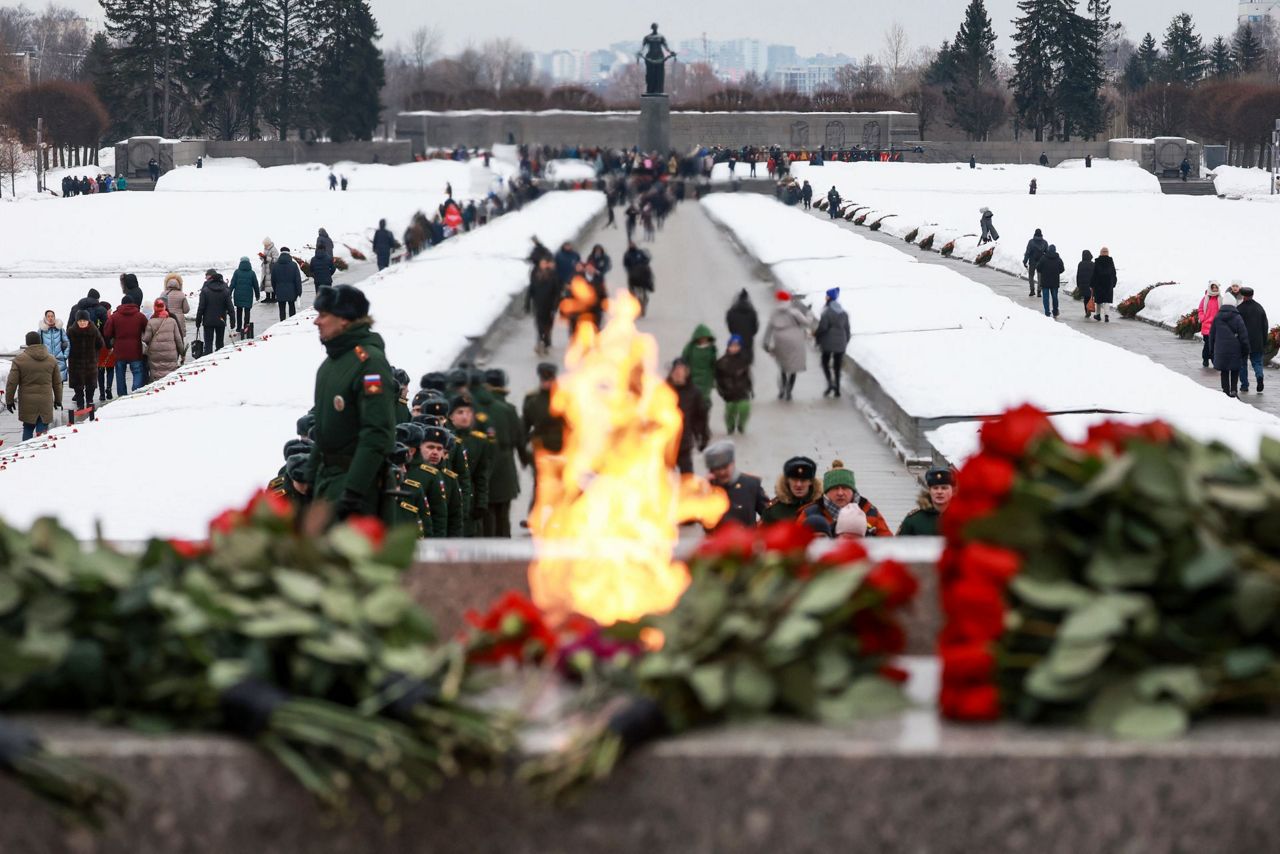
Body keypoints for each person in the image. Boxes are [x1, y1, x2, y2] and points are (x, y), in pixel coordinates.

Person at [306, 284, 395, 520]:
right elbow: (323, 430)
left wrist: (353, 491)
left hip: (352, 483)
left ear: (344, 320)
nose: (317, 321)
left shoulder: (369, 363)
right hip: (327, 481)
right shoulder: (332, 364)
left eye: (324, 315)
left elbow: (377, 432)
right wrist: (309, 476)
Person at [483, 368, 527, 538]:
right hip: (505, 466)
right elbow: (519, 439)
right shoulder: (509, 409)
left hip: (484, 463)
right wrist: (524, 459)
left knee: (486, 513)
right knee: (503, 514)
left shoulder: (477, 408)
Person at [801, 461, 893, 537]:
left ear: (853, 491)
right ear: (826, 492)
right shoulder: (810, 514)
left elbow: (888, 543)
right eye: (835, 488)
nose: (840, 493)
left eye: (845, 488)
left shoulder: (869, 511)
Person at [522, 362, 565, 515]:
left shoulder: (565, 397)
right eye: (544, 379)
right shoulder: (532, 399)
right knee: (540, 483)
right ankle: (535, 515)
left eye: (550, 379)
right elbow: (525, 426)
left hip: (563, 447)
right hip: (541, 449)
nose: (547, 382)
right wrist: (524, 455)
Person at [448, 395, 493, 537]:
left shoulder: (479, 441)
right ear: (451, 416)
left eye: (468, 413)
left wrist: (481, 502)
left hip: (469, 499)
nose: (465, 416)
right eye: (460, 412)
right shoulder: (445, 439)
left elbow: (482, 475)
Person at [6, 331, 62, 440]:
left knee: (27, 428)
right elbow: (57, 383)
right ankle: (41, 453)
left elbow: (12, 383)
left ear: (27, 343)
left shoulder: (19, 360)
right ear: (40, 341)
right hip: (45, 400)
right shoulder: (51, 360)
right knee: (42, 430)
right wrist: (58, 400)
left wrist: (9, 400)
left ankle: (26, 452)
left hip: (27, 401)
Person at [703, 440, 768, 528]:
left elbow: (769, 514)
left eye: (725, 467)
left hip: (747, 540)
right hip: (718, 541)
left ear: (733, 463)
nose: (722, 472)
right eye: (717, 469)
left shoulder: (751, 484)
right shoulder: (706, 488)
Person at [762, 290, 812, 402]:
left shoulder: (774, 312)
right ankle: (789, 391)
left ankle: (782, 390)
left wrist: (765, 343)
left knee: (783, 367)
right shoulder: (794, 312)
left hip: (780, 341)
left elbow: (769, 328)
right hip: (795, 341)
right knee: (793, 367)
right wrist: (809, 313)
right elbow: (807, 322)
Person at [668, 358, 709, 475]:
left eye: (682, 371)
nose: (678, 374)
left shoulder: (694, 393)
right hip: (664, 444)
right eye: (676, 371)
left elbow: (701, 417)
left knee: (687, 477)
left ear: (687, 373)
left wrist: (703, 437)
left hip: (684, 444)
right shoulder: (663, 391)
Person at [104, 295, 148, 395]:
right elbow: (147, 329)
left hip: (119, 351)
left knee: (120, 374)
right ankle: (136, 391)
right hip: (135, 350)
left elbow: (107, 333)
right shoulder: (140, 316)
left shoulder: (114, 317)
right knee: (137, 372)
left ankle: (122, 395)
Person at [761, 456, 821, 524]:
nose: (799, 485)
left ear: (811, 481)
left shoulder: (822, 505)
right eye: (794, 480)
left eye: (803, 480)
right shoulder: (773, 510)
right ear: (787, 481)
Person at [1208, 300, 1250, 398]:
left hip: (1221, 349)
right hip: (1235, 349)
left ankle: (1225, 390)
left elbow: (1212, 335)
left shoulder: (1217, 317)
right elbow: (1243, 335)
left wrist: (1211, 350)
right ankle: (1234, 390)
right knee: (1235, 370)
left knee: (1224, 371)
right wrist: (1245, 349)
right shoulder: (1238, 317)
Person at [898, 467, 955, 536]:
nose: (939, 492)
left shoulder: (963, 518)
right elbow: (899, 545)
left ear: (953, 490)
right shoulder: (914, 520)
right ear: (929, 490)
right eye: (935, 488)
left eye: (944, 488)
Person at [816, 287, 851, 397]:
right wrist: (845, 341)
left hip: (827, 343)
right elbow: (847, 330)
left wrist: (817, 338)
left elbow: (822, 328)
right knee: (837, 367)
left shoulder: (826, 313)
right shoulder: (844, 313)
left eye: (827, 295)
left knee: (825, 363)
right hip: (841, 343)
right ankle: (837, 389)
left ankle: (830, 383)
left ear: (829, 298)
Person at [67, 310, 105, 411]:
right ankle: (80, 404)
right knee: (78, 386)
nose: (82, 322)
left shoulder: (93, 330)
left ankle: (89, 401)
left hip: (90, 363)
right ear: (76, 321)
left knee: (90, 385)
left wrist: (94, 354)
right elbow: (66, 345)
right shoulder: (71, 331)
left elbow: (100, 343)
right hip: (76, 363)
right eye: (80, 321)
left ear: (88, 321)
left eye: (84, 320)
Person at [714, 335, 752, 435]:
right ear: (728, 346)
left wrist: (750, 388)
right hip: (728, 392)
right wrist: (721, 390)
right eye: (732, 346)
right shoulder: (721, 362)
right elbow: (718, 378)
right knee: (730, 409)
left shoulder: (744, 361)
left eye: (737, 346)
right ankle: (730, 426)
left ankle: (741, 424)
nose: (734, 348)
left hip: (742, 390)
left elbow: (747, 376)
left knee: (744, 407)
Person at [195, 269, 235, 355]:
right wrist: (232, 321)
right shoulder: (225, 290)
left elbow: (201, 307)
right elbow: (230, 307)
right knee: (220, 344)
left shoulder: (205, 290)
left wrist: (198, 321)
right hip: (221, 320)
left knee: (208, 346)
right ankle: (219, 363)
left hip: (208, 321)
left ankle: (207, 362)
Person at [143, 297, 185, 381]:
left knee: (156, 372)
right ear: (164, 307)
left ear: (154, 308)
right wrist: (182, 353)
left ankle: (156, 388)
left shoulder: (151, 321)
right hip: (171, 353)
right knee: (170, 373)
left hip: (155, 354)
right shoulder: (172, 321)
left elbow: (146, 339)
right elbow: (178, 340)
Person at [526, 255, 561, 355]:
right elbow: (530, 291)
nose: (544, 265)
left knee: (548, 325)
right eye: (542, 263)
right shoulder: (535, 275)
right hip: (538, 304)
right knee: (539, 324)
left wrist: (556, 305)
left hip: (549, 305)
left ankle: (545, 342)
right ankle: (540, 342)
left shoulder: (553, 276)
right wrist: (527, 304)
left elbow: (557, 292)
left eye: (545, 263)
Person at [1236, 287, 1268, 394]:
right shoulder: (1259, 308)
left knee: (1242, 364)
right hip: (1257, 341)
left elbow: (1236, 326)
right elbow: (1265, 326)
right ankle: (1259, 377)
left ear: (1243, 296)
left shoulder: (1239, 309)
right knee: (1257, 362)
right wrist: (1264, 341)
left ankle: (1244, 385)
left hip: (1243, 341)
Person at [680, 324, 717, 409]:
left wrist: (715, 378)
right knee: (693, 397)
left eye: (705, 338)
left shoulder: (711, 349)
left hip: (706, 378)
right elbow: (684, 360)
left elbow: (714, 364)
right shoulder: (690, 348)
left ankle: (704, 410)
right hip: (692, 376)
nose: (704, 340)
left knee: (704, 397)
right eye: (702, 337)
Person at [726, 288, 759, 364]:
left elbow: (730, 326)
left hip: (736, 338)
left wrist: (734, 332)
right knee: (747, 359)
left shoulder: (731, 312)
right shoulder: (752, 312)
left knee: (735, 357)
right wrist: (751, 333)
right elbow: (755, 328)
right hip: (748, 339)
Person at [229, 257, 260, 333]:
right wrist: (257, 295)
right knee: (247, 311)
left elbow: (232, 284)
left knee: (239, 311)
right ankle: (246, 326)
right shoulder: (252, 273)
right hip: (248, 294)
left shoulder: (237, 272)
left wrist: (229, 293)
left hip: (238, 294)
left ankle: (239, 328)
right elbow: (255, 285)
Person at [622, 241, 654, 316]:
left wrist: (645, 263)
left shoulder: (640, 252)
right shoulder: (627, 254)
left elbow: (647, 259)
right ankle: (632, 295)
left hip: (642, 272)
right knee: (632, 288)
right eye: (630, 244)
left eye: (633, 244)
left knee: (649, 275)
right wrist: (629, 270)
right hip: (633, 273)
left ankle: (650, 286)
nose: (632, 245)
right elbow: (625, 264)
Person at [273, 246, 303, 321]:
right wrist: (299, 292)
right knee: (292, 307)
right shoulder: (293, 265)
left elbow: (273, 280)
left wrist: (276, 290)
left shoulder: (275, 265)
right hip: (291, 290)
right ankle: (292, 322)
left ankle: (282, 322)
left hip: (280, 290)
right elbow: (297, 280)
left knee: (282, 309)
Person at [38, 310, 69, 382]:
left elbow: (67, 343)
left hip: (59, 359)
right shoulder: (41, 330)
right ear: (45, 318)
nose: (50, 318)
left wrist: (65, 356)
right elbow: (38, 345)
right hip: (46, 360)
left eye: (52, 316)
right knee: (47, 383)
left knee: (59, 384)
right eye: (48, 316)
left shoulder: (60, 330)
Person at [1036, 244, 1065, 318]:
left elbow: (1038, 268)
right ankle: (1055, 311)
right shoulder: (1058, 259)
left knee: (1046, 298)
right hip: (1054, 282)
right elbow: (1062, 269)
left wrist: (1043, 271)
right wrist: (1057, 272)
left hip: (1045, 281)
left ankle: (1047, 312)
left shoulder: (1043, 258)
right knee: (1054, 297)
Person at [1090, 247, 1117, 323]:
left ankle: (1098, 315)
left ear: (1101, 253)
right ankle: (1106, 316)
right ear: (1108, 253)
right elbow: (1114, 273)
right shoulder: (1110, 261)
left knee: (1098, 300)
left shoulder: (1097, 261)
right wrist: (1114, 283)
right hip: (1108, 284)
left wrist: (1092, 284)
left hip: (1099, 284)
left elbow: (1094, 274)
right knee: (1106, 301)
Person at [1022, 228, 1048, 297]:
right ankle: (1039, 291)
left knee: (1031, 276)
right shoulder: (1044, 242)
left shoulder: (1031, 242)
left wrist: (1025, 261)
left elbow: (1027, 252)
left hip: (1032, 261)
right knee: (1040, 277)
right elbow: (1047, 253)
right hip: (1041, 262)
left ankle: (1032, 290)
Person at [1076, 250, 1095, 318]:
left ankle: (1086, 310)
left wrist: (1078, 284)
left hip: (1083, 284)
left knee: (1085, 299)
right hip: (1090, 284)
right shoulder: (1093, 264)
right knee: (1090, 297)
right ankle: (1089, 309)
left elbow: (1078, 275)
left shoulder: (1080, 264)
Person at [261, 237, 279, 303]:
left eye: (265, 244)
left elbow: (276, 259)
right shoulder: (265, 249)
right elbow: (266, 258)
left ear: (268, 243)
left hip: (271, 269)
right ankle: (267, 297)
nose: (264, 245)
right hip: (265, 268)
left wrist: (266, 258)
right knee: (266, 283)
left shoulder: (274, 249)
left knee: (272, 283)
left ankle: (273, 298)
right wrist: (262, 257)